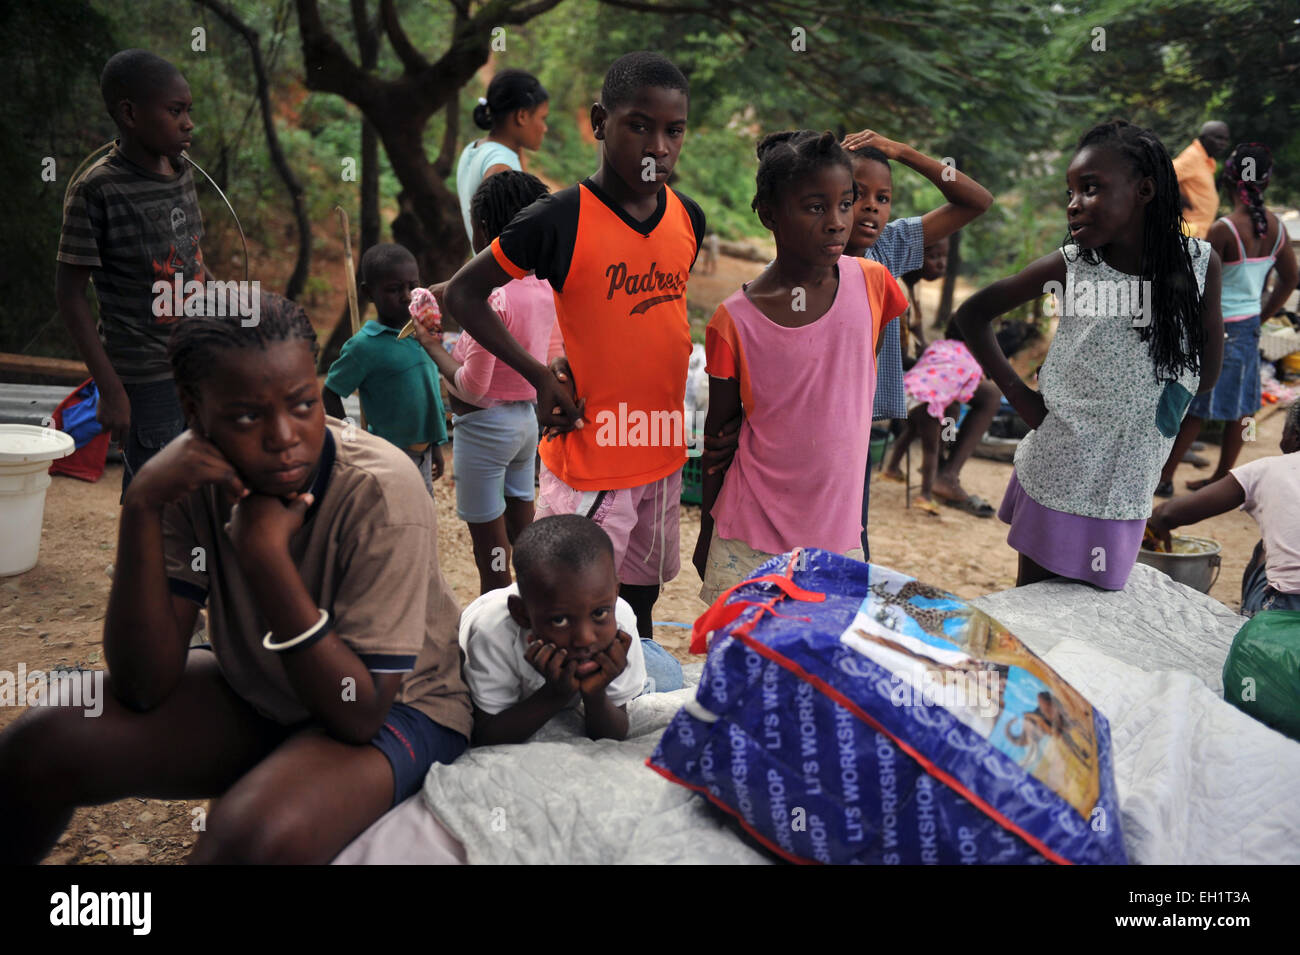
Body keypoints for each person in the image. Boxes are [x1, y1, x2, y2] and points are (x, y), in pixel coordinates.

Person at [0, 295, 472, 864]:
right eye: (247, 416)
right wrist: (143, 504)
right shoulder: (188, 478)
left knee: (246, 838)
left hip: (400, 707)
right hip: (267, 686)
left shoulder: (379, 490)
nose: (283, 436)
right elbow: (142, 684)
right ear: (193, 409)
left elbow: (358, 710)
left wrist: (264, 556)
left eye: (302, 404)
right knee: (42, 745)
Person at [444, 51, 706, 644]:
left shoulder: (688, 218)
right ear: (598, 121)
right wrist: (539, 374)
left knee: (639, 594)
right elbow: (464, 294)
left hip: (662, 450)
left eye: (674, 130)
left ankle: (622, 689)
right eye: (639, 125)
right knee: (574, 596)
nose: (658, 146)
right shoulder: (560, 218)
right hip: (594, 455)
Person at [957, 120, 1224, 590]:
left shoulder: (1200, 265)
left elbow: (1205, 374)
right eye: (1070, 192)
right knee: (1037, 613)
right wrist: (1022, 399)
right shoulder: (1075, 267)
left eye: (1091, 188)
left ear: (1144, 190)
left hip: (1130, 481)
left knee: (1094, 610)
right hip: (1061, 469)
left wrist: (1158, 406)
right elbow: (973, 314)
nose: (1074, 204)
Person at [693, 131, 908, 603]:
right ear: (770, 214)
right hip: (747, 537)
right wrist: (707, 531)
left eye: (845, 205)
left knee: (818, 666)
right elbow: (719, 439)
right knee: (745, 666)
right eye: (815, 208)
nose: (837, 223)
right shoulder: (734, 321)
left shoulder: (874, 285)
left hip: (838, 539)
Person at [57, 50, 207, 498]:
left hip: (194, 357)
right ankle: (142, 568)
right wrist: (112, 388)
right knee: (154, 491)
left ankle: (182, 567)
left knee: (197, 477)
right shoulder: (99, 190)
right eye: (175, 111)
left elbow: (192, 258)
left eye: (189, 111)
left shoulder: (182, 174)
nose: (188, 123)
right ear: (130, 114)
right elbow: (70, 295)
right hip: (144, 375)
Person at [839, 130, 993, 555]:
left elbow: (976, 201)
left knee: (850, 547)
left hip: (859, 431)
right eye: (856, 193)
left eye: (883, 197)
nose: (871, 205)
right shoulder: (811, 255)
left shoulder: (886, 249)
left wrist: (903, 153)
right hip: (811, 427)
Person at [414, 171, 560, 593]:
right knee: (524, 529)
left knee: (489, 552)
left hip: (484, 430)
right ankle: (540, 603)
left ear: (481, 230)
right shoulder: (545, 286)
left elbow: (472, 388)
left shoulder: (491, 300)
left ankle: (494, 626)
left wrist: (431, 343)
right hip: (524, 427)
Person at [459, 515, 682, 745]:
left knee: (669, 676)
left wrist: (595, 695)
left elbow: (612, 734)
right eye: (559, 620)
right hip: (496, 661)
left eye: (599, 614)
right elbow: (487, 735)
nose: (584, 638)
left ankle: (645, 649)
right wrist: (556, 693)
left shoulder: (620, 616)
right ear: (522, 614)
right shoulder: (492, 633)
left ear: (615, 593)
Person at [1157, 143, 1299, 496]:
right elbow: (1290, 279)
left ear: (1229, 180)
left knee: (1194, 405)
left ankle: (1164, 478)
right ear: (1265, 182)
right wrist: (1261, 315)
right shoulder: (1278, 230)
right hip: (1248, 327)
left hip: (1216, 329)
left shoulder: (1224, 229)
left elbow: (1198, 286)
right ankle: (1222, 477)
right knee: (1244, 407)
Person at [1149, 401, 1300, 615]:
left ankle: (1250, 619)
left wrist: (1154, 532)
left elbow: (1165, 514)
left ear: (1295, 436)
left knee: (1267, 547)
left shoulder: (1268, 468)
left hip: (1284, 608)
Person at [322, 244, 449, 496]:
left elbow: (430, 394)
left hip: (424, 454)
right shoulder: (363, 346)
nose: (406, 295)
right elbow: (330, 392)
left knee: (423, 516)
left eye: (413, 286)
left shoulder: (422, 334)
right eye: (394, 289)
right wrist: (350, 439)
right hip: (390, 456)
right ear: (368, 293)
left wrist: (436, 445)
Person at [880, 317, 1001, 517]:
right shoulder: (971, 363)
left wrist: (918, 333)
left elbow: (921, 357)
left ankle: (893, 467)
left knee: (916, 428)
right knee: (932, 446)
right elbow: (963, 396)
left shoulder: (939, 346)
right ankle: (929, 490)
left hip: (906, 394)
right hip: (930, 403)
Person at [455, 69, 549, 243]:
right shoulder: (501, 166)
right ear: (521, 116)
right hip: (501, 269)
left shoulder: (474, 149)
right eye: (542, 118)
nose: (545, 128)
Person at [1172, 120, 1231, 239]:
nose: (1223, 144)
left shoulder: (1208, 161)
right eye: (1218, 138)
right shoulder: (1192, 156)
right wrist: (1177, 197)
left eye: (1225, 139)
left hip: (1200, 233)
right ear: (1203, 138)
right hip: (1189, 233)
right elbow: (1159, 175)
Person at [899, 237, 949, 359]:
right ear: (912, 256)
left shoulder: (914, 286)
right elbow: (901, 357)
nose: (942, 264)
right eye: (933, 257)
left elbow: (921, 343)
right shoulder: (898, 288)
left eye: (944, 256)